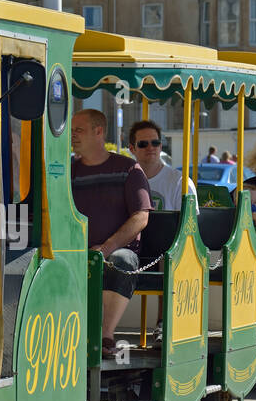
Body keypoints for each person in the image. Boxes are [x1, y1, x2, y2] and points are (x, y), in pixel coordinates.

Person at [70, 108, 152, 357]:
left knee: (122, 260)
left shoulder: (128, 169)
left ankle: (105, 335)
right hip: (74, 250)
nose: (72, 135)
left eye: (78, 130)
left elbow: (141, 217)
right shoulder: (67, 172)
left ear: (99, 131)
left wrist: (106, 248)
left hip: (115, 252)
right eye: (72, 130)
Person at [127, 119, 191, 210]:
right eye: (143, 144)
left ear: (160, 146)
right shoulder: (124, 181)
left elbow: (190, 222)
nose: (150, 147)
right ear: (132, 149)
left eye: (155, 143)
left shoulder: (180, 182)